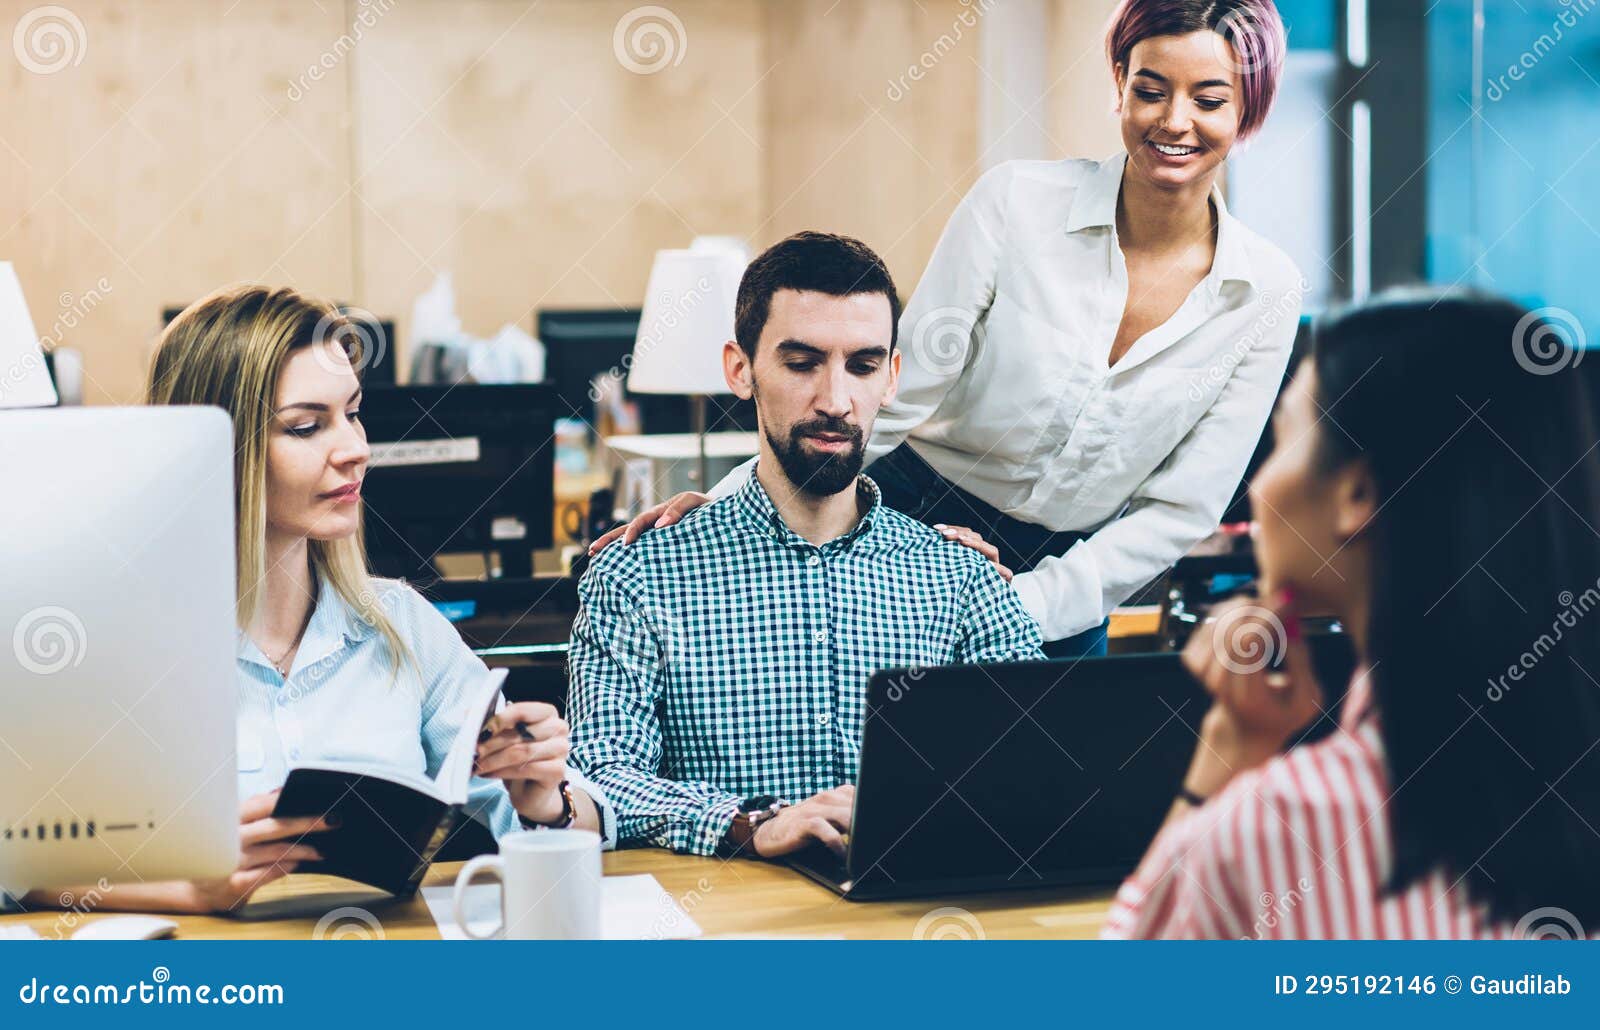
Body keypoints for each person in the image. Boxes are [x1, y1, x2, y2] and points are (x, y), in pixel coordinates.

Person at [592, 0, 1303, 657]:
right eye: (1150, 89)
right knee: (873, 773)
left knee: (1040, 786)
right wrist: (731, 508)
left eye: (1209, 99)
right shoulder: (1018, 204)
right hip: (909, 526)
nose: (1174, 122)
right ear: (1119, 82)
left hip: (1072, 580)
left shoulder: (1264, 290)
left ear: (1251, 106)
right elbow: (888, 396)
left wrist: (1025, 604)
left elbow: (1182, 508)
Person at [23, 285, 613, 916]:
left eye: (352, 413)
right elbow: (18, 867)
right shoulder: (111, 646)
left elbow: (570, 832)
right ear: (213, 450)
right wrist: (190, 890)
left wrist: (546, 796)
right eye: (306, 426)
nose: (355, 447)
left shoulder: (402, 625)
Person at [1102, 292, 1600, 939]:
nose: (1260, 486)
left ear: (1357, 493)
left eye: (1281, 440)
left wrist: (1225, 758)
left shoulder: (1270, 834)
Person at [568, 232, 1044, 859]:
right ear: (741, 370)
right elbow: (599, 777)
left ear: (892, 376)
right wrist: (748, 824)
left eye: (863, 366)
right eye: (802, 364)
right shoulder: (637, 576)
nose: (836, 400)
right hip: (729, 930)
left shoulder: (962, 580)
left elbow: (1038, 769)